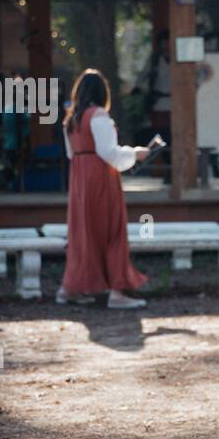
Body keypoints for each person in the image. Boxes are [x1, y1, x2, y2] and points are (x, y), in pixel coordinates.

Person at [58, 69, 153, 308]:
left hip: (80, 177)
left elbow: (71, 154)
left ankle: (70, 288)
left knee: (84, 233)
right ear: (103, 92)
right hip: (100, 177)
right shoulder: (98, 115)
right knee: (112, 230)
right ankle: (118, 293)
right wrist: (135, 153)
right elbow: (108, 152)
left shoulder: (72, 120)